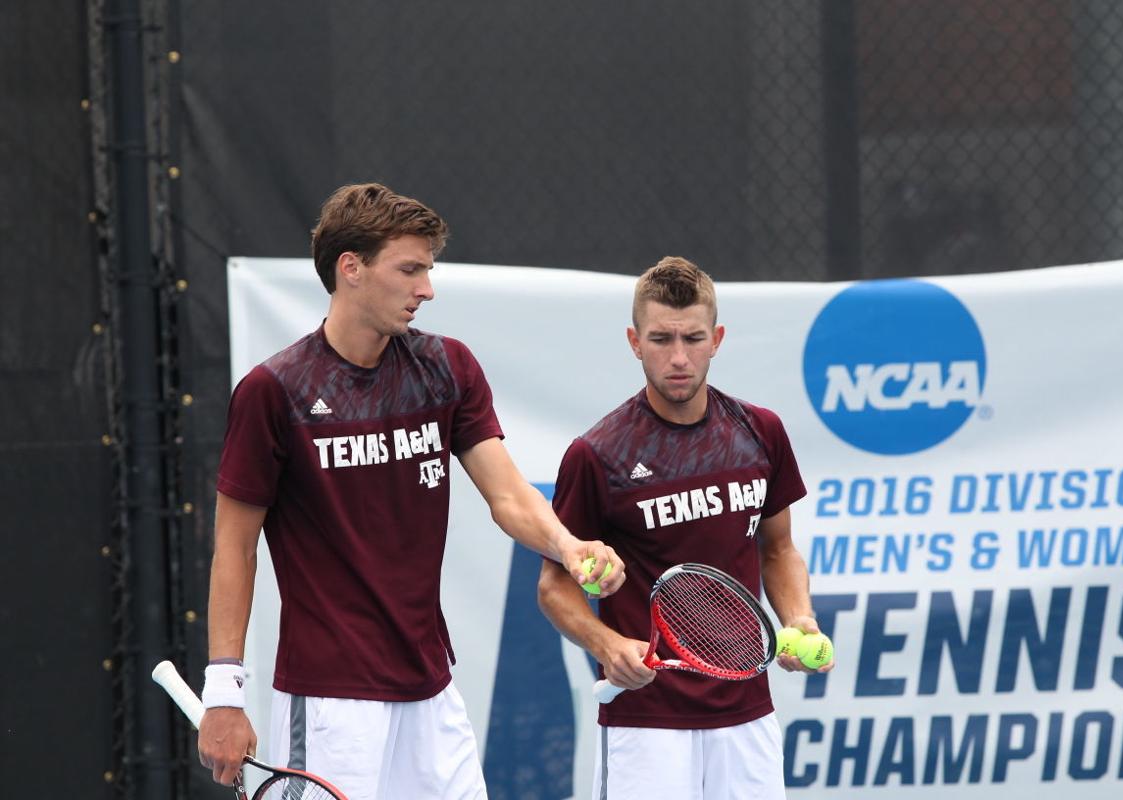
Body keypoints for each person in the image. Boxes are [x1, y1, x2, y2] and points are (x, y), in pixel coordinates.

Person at [198, 183, 625, 800]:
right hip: (330, 700)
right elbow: (234, 548)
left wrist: (568, 543)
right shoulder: (274, 391)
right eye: (410, 269)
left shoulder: (446, 368)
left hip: (431, 687)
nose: (427, 288)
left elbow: (506, 494)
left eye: (428, 269)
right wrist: (223, 694)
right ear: (352, 269)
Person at [537, 257, 832, 799]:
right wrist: (605, 644)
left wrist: (799, 618)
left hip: (747, 718)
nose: (678, 358)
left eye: (693, 338)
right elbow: (554, 585)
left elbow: (779, 549)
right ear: (633, 341)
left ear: (717, 338)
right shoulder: (597, 454)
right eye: (660, 339)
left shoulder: (760, 432)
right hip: (645, 722)